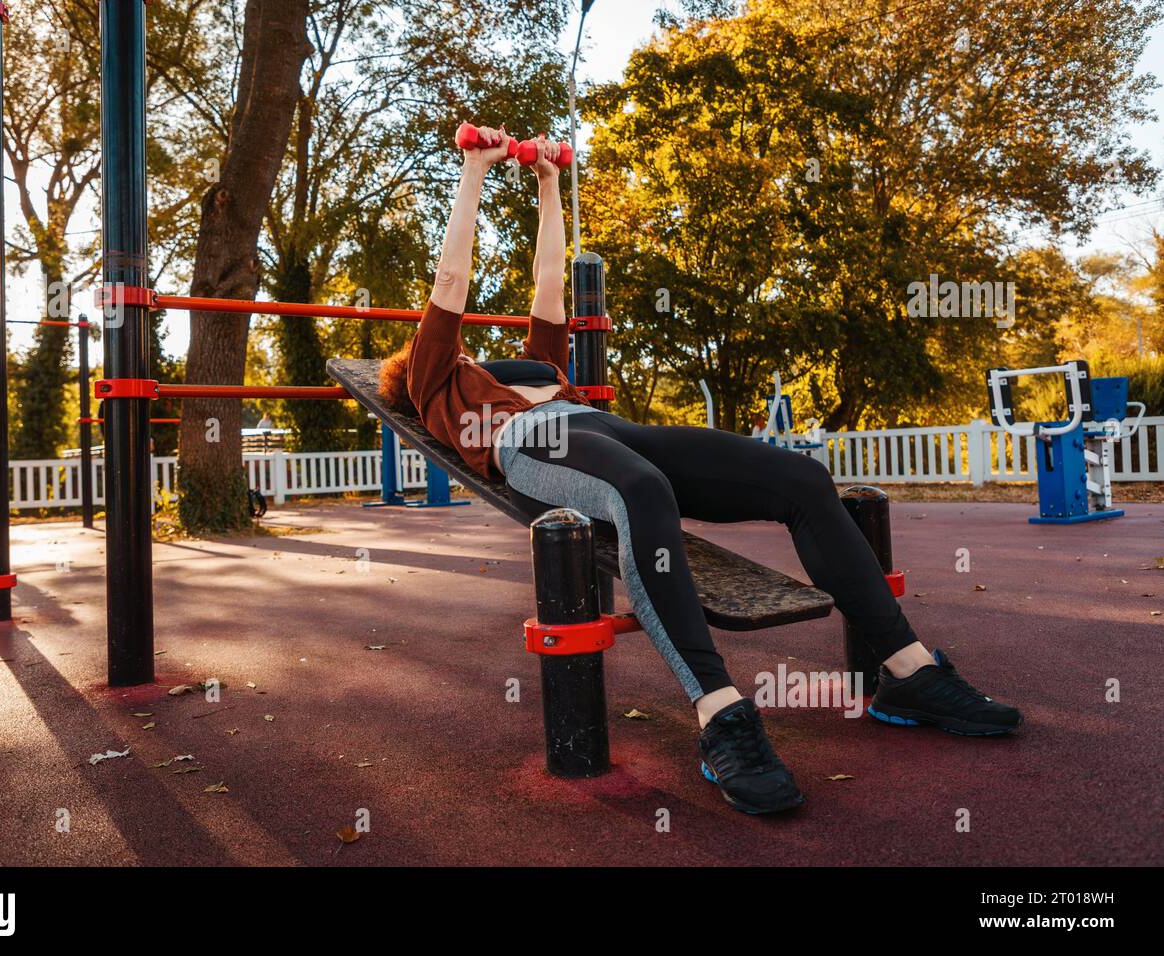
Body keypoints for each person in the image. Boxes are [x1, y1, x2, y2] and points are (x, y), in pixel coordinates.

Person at [377, 125, 1021, 815]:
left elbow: (549, 280)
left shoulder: (539, 365)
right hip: (536, 445)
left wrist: (549, 183)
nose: (473, 350)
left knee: (798, 479)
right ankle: (721, 714)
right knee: (641, 490)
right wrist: (474, 171)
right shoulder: (435, 378)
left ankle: (909, 672)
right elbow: (449, 283)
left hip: (612, 432)